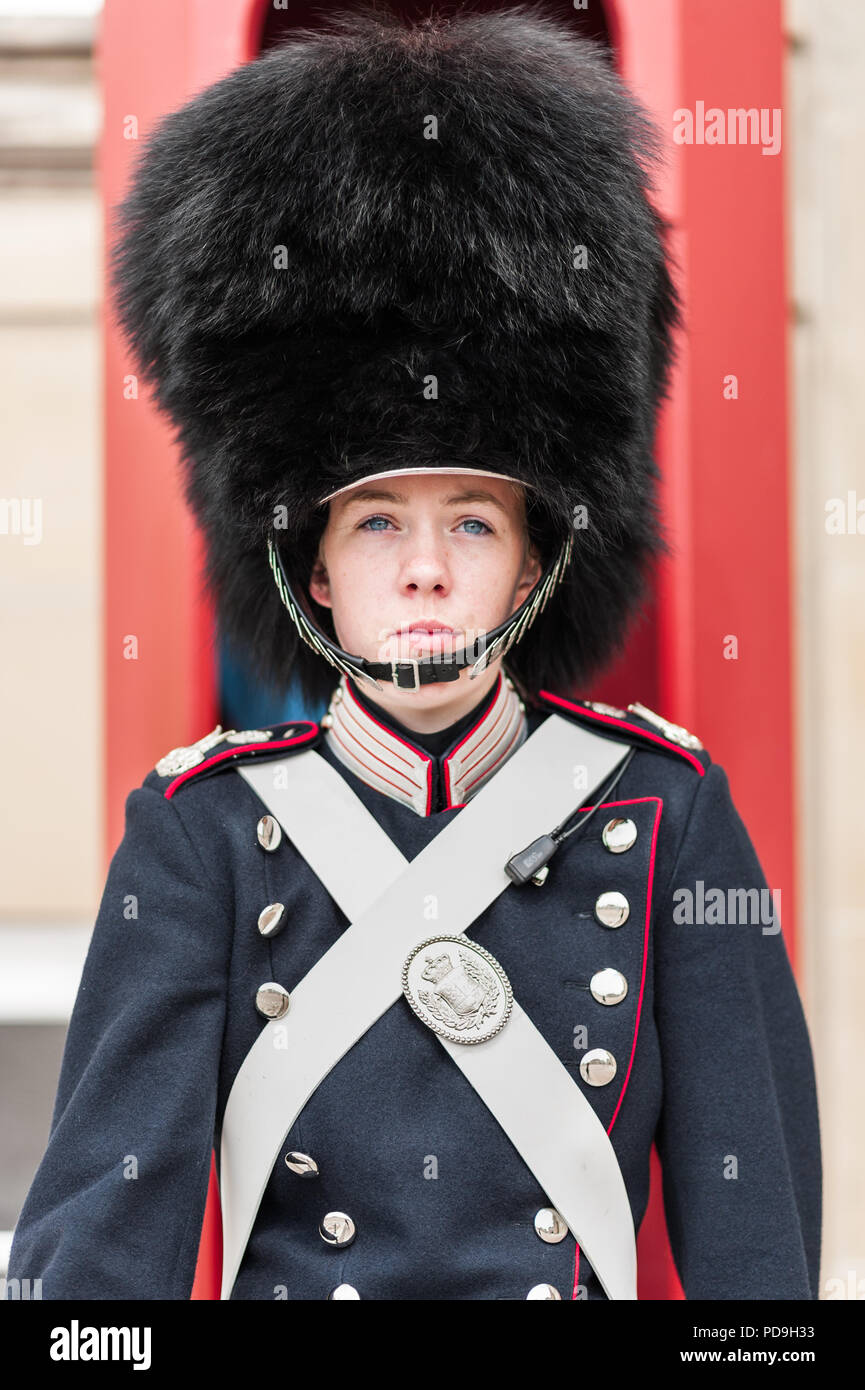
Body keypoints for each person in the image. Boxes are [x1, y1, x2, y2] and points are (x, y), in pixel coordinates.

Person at [7, 5, 820, 1301]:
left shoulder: (670, 815)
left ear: (535, 555)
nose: (426, 564)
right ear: (312, 563)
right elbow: (100, 1271)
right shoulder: (198, 829)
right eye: (377, 518)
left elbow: (754, 1255)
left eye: (472, 520)